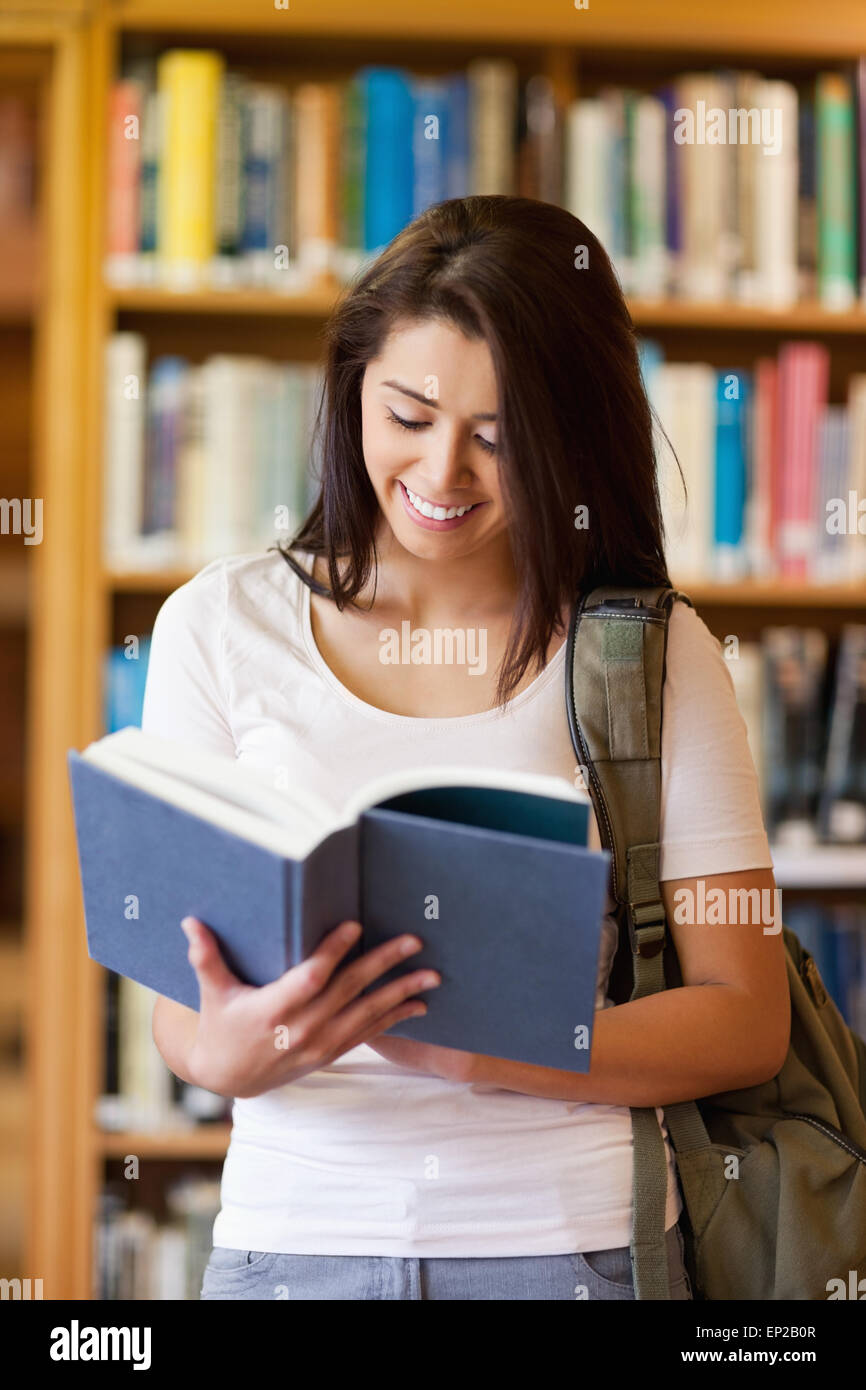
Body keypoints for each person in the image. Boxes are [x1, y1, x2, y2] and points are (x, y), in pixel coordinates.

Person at [146, 195, 790, 1301]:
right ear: (352, 382)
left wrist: (483, 1050)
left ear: (569, 441)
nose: (441, 474)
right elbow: (182, 1021)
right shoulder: (217, 625)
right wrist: (241, 1047)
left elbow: (746, 1018)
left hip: (570, 1250)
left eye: (496, 440)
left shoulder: (647, 652)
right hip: (289, 1245)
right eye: (408, 413)